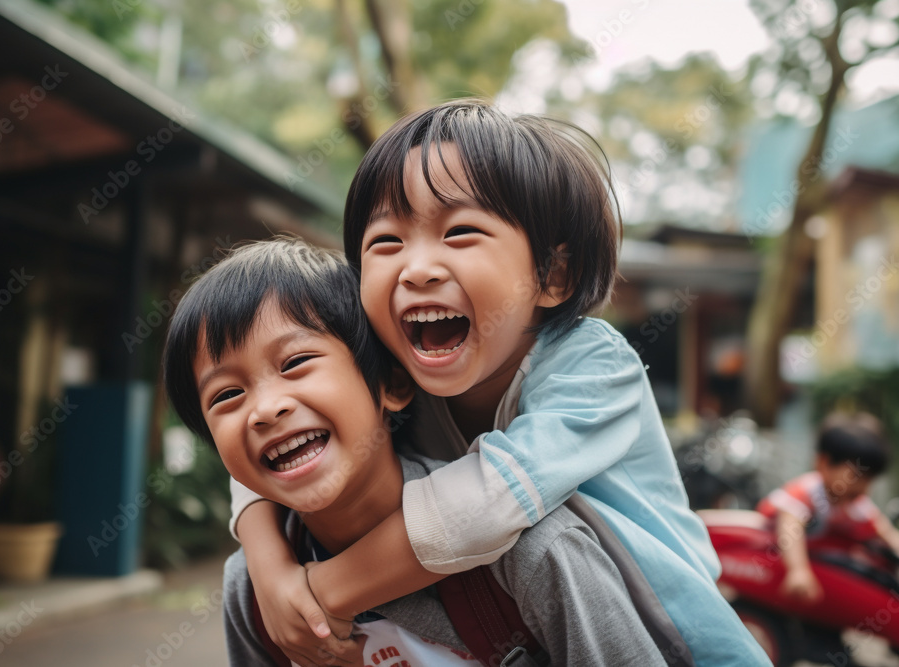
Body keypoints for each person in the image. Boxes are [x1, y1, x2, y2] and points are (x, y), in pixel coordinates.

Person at [233, 101, 771, 666]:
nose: (416, 268)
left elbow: (486, 506)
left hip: (668, 637)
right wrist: (268, 568)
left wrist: (320, 595)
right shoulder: (388, 360)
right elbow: (276, 420)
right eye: (385, 243)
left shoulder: (591, 366)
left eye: (460, 232)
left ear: (552, 275)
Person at [162, 237, 681, 666]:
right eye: (227, 395)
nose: (265, 410)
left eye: (296, 362)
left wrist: (323, 594)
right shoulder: (252, 593)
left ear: (391, 383)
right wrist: (267, 563)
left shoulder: (534, 556)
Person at [757, 411, 899, 602]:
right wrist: (798, 570)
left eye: (870, 478)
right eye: (857, 475)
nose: (863, 486)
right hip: (769, 559)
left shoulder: (855, 504)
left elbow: (884, 531)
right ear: (823, 463)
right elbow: (790, 527)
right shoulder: (806, 492)